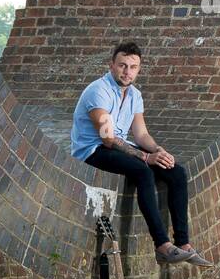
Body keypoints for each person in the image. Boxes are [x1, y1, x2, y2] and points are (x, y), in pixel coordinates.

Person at [70, 41, 211, 267]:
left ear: (139, 69)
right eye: (122, 65)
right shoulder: (99, 91)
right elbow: (107, 137)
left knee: (176, 172)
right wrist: (145, 157)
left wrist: (157, 150)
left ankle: (183, 245)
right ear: (111, 65)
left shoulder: (134, 95)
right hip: (93, 150)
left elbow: (141, 134)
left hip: (117, 147)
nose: (127, 72)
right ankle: (162, 246)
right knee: (142, 171)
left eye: (133, 67)